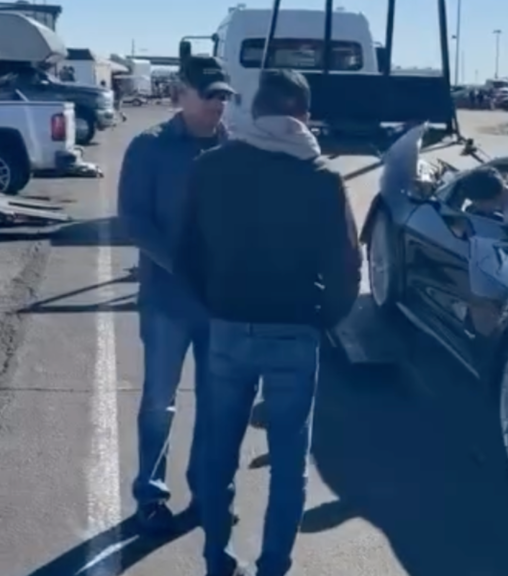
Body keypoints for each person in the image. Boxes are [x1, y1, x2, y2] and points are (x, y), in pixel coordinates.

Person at [174, 69, 362, 576]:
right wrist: (323, 318)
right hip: (295, 331)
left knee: (219, 453)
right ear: (301, 114)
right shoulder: (320, 177)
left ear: (254, 113)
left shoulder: (210, 167)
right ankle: (273, 566)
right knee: (288, 465)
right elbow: (347, 265)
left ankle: (218, 560)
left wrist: (214, 303)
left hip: (228, 328)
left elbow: (184, 252)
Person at [117, 55, 235, 536]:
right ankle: (150, 494)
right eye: (208, 95)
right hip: (167, 302)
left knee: (216, 403)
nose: (216, 105)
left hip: (220, 305)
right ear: (180, 94)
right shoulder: (149, 148)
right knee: (160, 403)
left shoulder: (234, 150)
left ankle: (206, 492)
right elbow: (134, 220)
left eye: (223, 96)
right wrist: (181, 265)